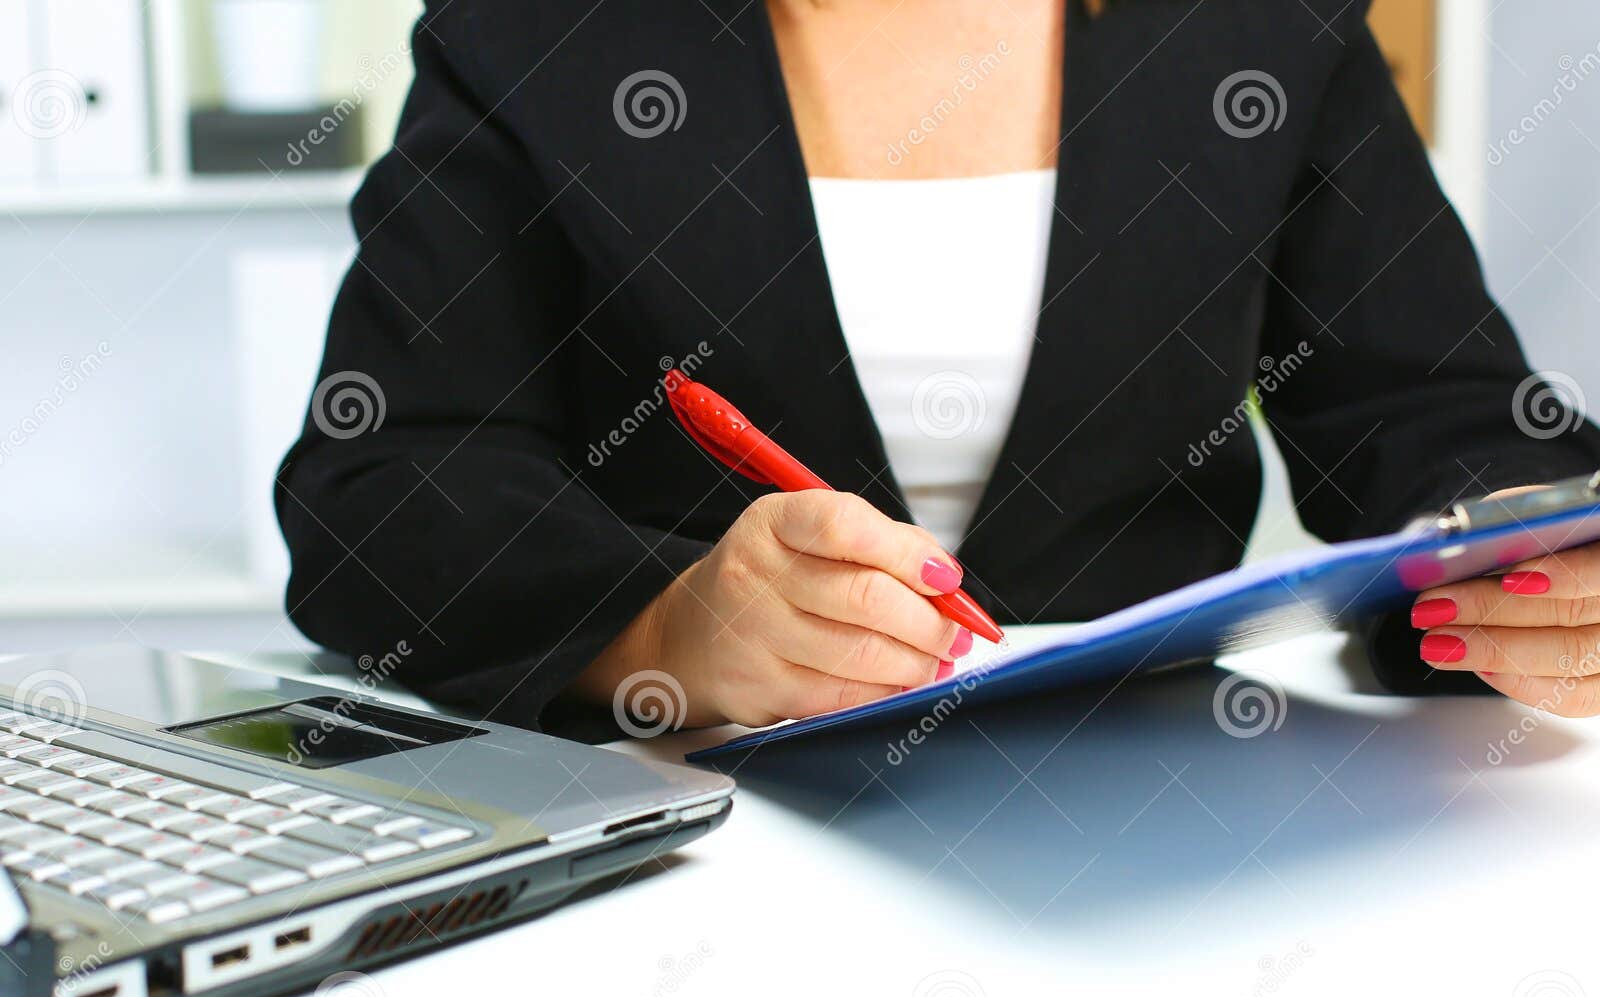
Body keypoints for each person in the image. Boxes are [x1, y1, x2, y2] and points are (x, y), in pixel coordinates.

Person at [276, 0, 1600, 737]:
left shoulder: (1264, 24)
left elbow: (1434, 410)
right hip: (691, 831)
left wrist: (1542, 572)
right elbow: (384, 483)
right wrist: (669, 630)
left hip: (1154, 808)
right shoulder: (531, 32)